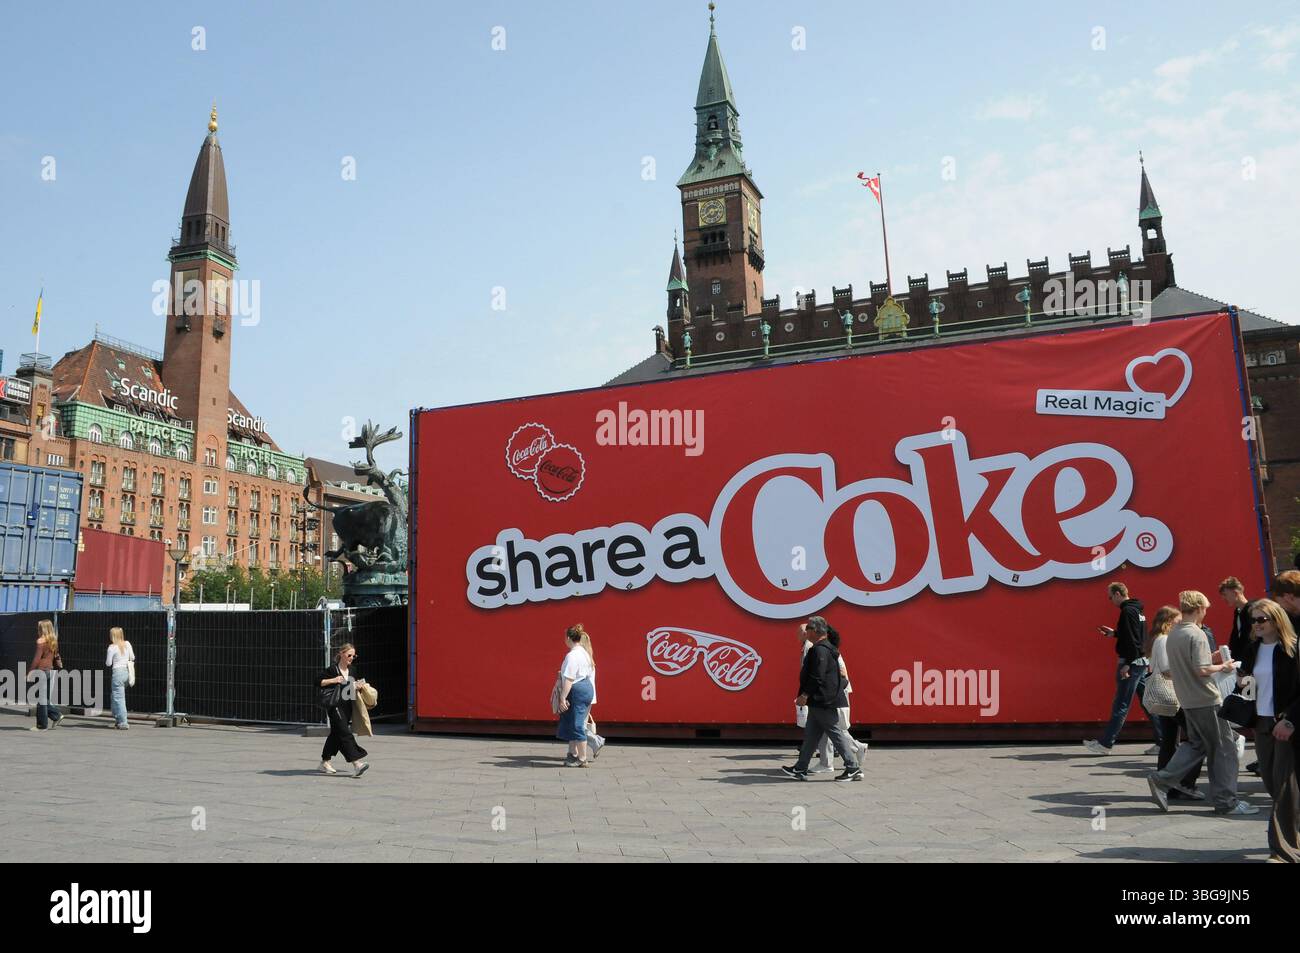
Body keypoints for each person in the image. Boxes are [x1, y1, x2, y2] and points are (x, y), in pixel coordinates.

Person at [1146, 591, 1257, 815]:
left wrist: (1210, 662)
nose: (1206, 612)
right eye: (1205, 608)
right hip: (1206, 698)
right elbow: (1201, 670)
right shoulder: (1196, 634)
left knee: (1197, 744)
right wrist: (1223, 667)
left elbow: (1189, 666)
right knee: (1224, 749)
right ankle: (1226, 802)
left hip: (1187, 699)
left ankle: (1162, 780)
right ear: (1198, 609)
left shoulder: (1174, 632)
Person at [1237, 599, 1300, 862]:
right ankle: (1292, 837)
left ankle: (1283, 852)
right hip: (1261, 724)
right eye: (1253, 620)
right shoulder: (1253, 650)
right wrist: (1242, 683)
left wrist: (1291, 720)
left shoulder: (1293, 649)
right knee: (1274, 786)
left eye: (1262, 619)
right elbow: (1251, 689)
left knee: (1284, 788)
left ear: (1276, 620)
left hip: (1286, 724)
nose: (1256, 624)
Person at [782, 616, 862, 782]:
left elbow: (817, 676)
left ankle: (853, 767)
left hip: (823, 699)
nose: (806, 632)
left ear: (815, 631)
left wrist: (805, 695)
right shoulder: (826, 648)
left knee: (835, 733)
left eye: (809, 629)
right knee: (811, 735)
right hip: (822, 699)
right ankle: (800, 768)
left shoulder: (819, 650)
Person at [1084, 582, 1152, 755]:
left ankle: (1106, 744)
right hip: (1141, 662)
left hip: (1132, 663)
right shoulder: (1137, 610)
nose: (1110, 601)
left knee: (1121, 703)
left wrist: (1128, 663)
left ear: (1117, 594)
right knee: (1148, 703)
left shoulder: (1127, 611)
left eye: (1110, 597)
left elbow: (1132, 640)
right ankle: (1163, 740)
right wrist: (1114, 633)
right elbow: (1137, 636)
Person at [1146, 606, 1205, 800]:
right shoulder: (1164, 640)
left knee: (1170, 741)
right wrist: (1189, 670)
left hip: (1167, 699)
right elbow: (1166, 669)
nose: (1181, 624)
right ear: (1169, 621)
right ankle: (1183, 782)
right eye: (1179, 620)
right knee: (1198, 737)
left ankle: (1165, 784)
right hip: (1173, 696)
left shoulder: (1158, 639)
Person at [1219, 576, 1258, 772]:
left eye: (1225, 595)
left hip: (1251, 671)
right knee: (1249, 705)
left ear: (1236, 592)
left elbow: (1250, 641)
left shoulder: (1252, 610)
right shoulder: (1238, 611)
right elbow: (1235, 638)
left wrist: (1243, 664)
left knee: (1252, 705)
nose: (1224, 600)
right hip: (1244, 669)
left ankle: (1259, 752)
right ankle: (1260, 753)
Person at [318, 643, 369, 777]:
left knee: (336, 734)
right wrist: (334, 680)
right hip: (335, 706)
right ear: (341, 654)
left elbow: (350, 690)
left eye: (354, 655)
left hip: (347, 707)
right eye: (349, 655)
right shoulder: (332, 670)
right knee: (345, 733)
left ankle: (324, 762)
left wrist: (357, 686)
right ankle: (357, 763)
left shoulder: (352, 670)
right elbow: (318, 682)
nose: (351, 658)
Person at [556, 624, 596, 767]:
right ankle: (573, 754)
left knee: (577, 724)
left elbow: (570, 679)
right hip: (586, 688)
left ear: (568, 638)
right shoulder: (584, 653)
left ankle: (582, 758)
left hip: (577, 689)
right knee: (574, 721)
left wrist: (562, 698)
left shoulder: (572, 655)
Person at [26, 619, 64, 731]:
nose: (37, 629)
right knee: (44, 698)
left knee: (41, 699)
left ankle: (42, 725)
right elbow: (57, 656)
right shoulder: (53, 640)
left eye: (39, 627)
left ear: (42, 629)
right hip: (49, 671)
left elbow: (36, 659)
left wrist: (29, 672)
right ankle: (56, 716)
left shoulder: (41, 641)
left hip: (41, 671)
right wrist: (59, 664)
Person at [105, 627, 135, 730]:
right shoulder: (127, 644)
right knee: (115, 696)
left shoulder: (112, 647)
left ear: (113, 636)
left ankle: (123, 722)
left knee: (119, 698)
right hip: (126, 673)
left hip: (117, 674)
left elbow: (108, 663)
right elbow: (133, 657)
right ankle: (118, 718)